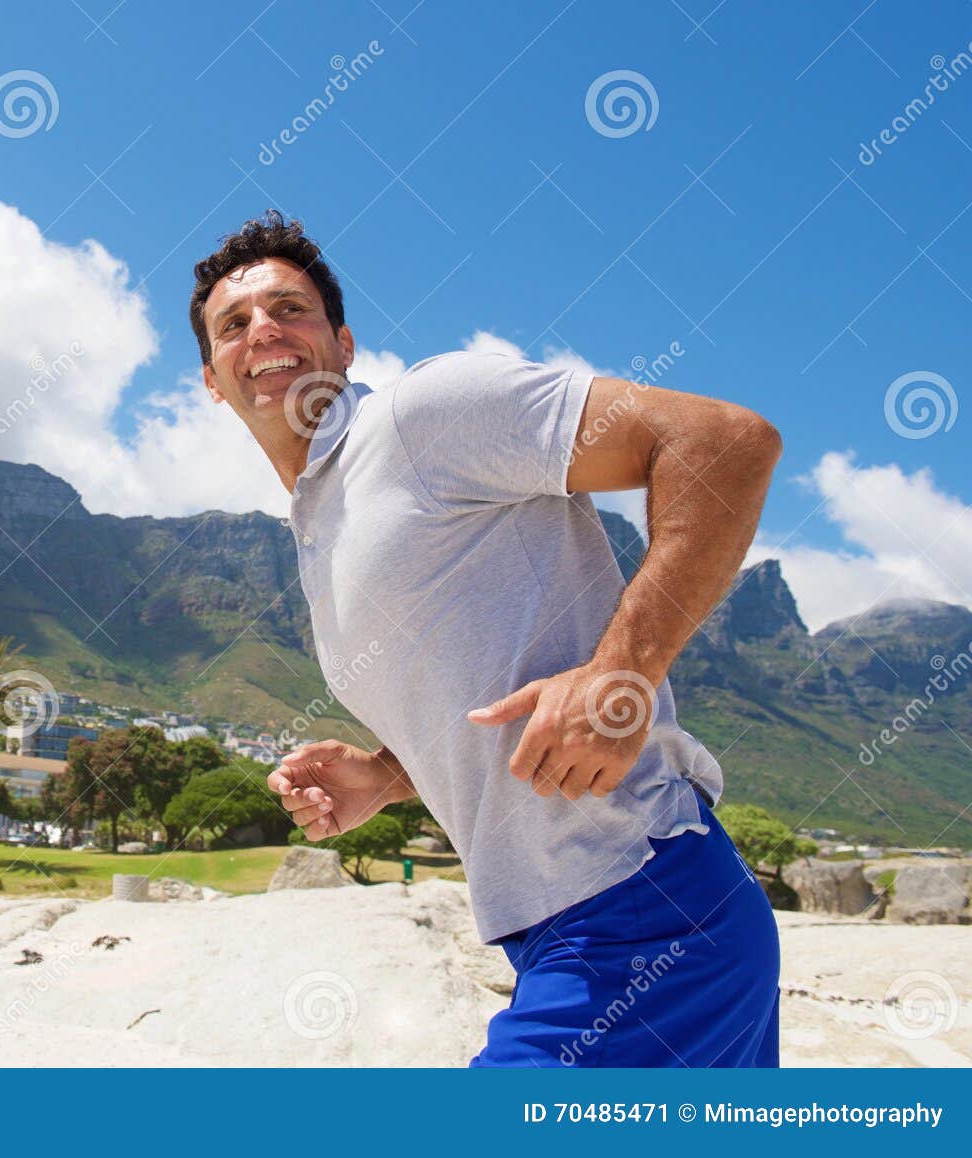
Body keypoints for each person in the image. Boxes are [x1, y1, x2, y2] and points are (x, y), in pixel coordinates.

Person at [190, 211, 783, 1067]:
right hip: (574, 932)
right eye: (234, 324)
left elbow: (725, 443)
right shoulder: (322, 529)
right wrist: (386, 779)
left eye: (293, 308)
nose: (265, 331)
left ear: (343, 343)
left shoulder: (420, 418)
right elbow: (485, 688)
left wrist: (624, 674)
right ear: (213, 378)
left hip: (643, 911)